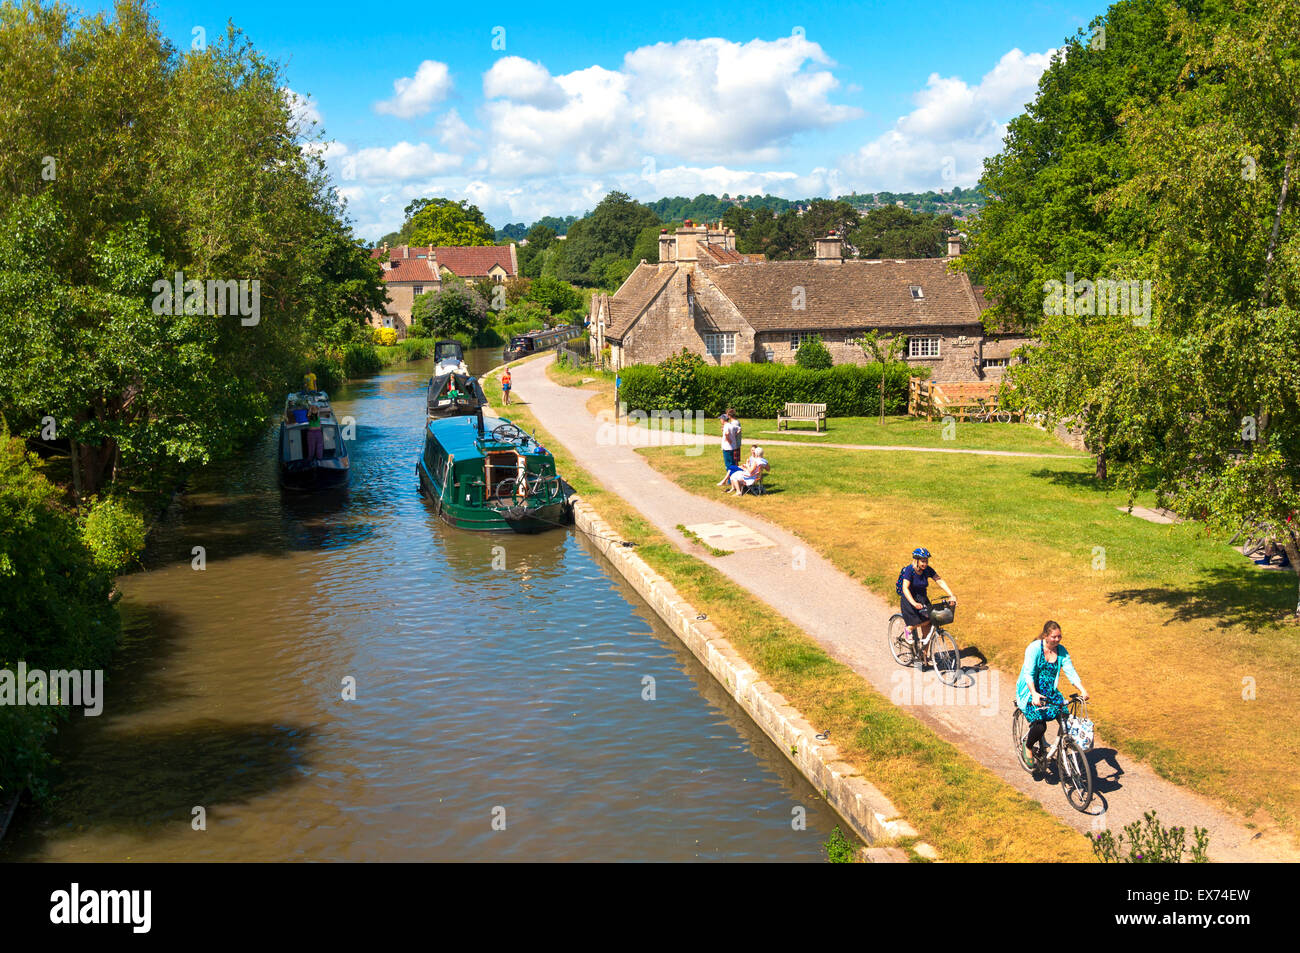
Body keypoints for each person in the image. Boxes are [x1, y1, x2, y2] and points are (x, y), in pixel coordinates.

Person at [1016, 621, 1088, 768]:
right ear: (1045, 636)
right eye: (1054, 637)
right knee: (1040, 727)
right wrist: (1034, 694)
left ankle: (1063, 747)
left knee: (1066, 719)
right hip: (1031, 692)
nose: (1057, 639)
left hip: (1050, 692)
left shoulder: (1061, 651)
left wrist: (1082, 689)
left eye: (1059, 636)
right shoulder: (1034, 648)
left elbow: (1070, 671)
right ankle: (1028, 746)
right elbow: (1028, 673)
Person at [899, 547, 955, 643]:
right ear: (916, 560)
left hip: (922, 598)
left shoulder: (927, 570)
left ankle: (924, 656)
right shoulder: (909, 570)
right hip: (909, 599)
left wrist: (951, 594)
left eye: (926, 561)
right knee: (919, 621)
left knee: (930, 622)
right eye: (923, 561)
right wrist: (914, 603)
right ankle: (909, 629)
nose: (925, 564)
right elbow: (905, 588)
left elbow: (939, 581)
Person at [716, 413, 738, 486]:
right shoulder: (731, 425)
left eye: (721, 419)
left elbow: (727, 433)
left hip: (727, 448)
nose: (720, 420)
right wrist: (733, 438)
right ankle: (733, 479)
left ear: (723, 419)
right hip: (733, 447)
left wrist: (729, 440)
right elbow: (739, 429)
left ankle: (730, 481)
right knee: (733, 463)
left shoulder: (726, 426)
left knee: (728, 465)